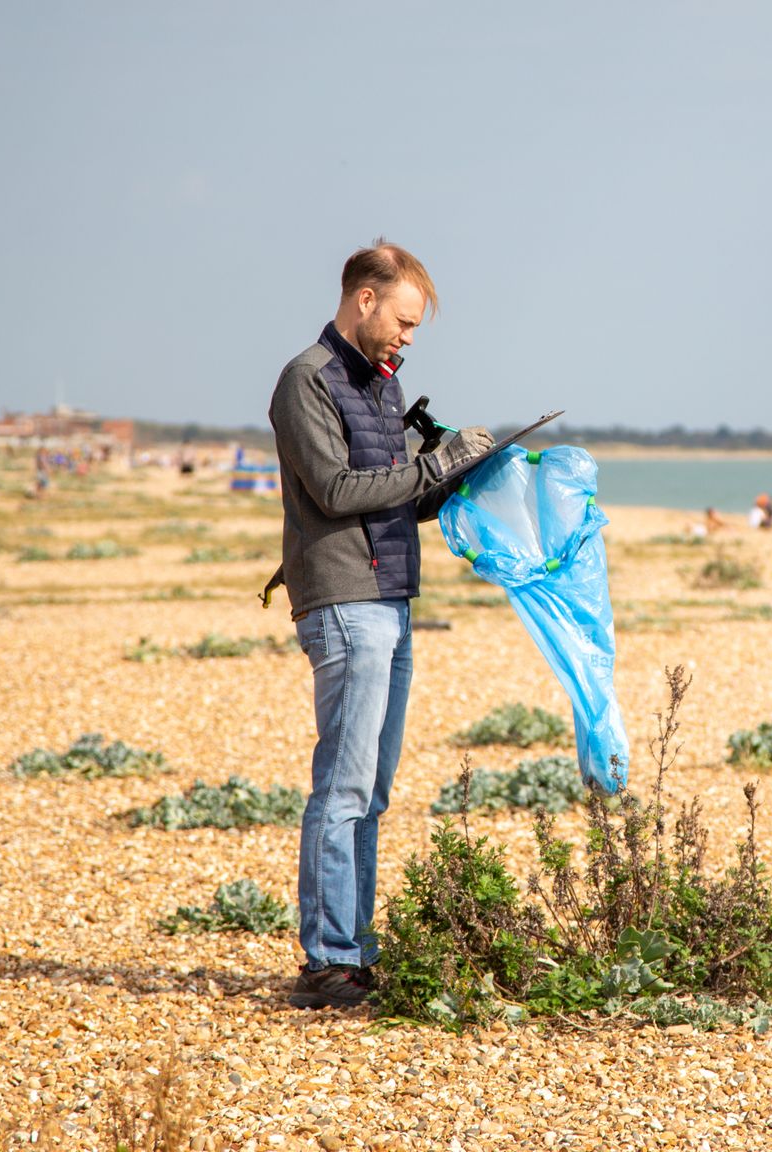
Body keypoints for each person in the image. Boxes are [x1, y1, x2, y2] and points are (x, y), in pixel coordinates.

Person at [270, 240, 492, 1010]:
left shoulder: (381, 386)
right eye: (402, 321)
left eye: (414, 329)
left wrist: (456, 474)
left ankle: (354, 955)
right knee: (343, 786)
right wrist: (433, 466)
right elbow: (335, 489)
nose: (406, 338)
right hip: (342, 599)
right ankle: (324, 963)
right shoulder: (308, 379)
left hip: (392, 599)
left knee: (374, 791)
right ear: (364, 298)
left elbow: (392, 494)